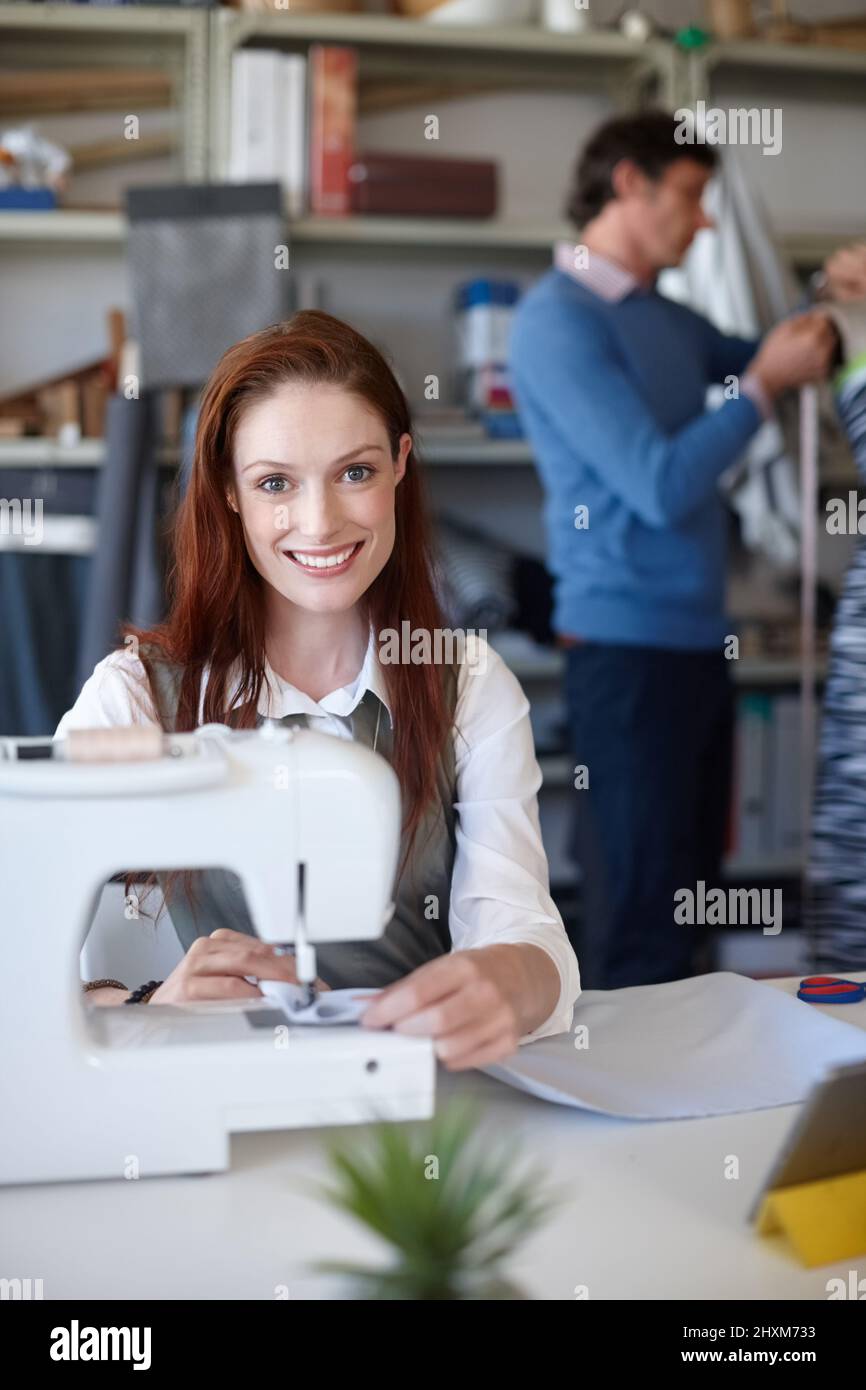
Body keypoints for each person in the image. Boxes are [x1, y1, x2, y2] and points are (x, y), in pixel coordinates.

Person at [59, 310, 580, 1071]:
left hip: (416, 1111)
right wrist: (144, 1006)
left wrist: (511, 978)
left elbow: (527, 934)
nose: (321, 522)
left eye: (356, 472)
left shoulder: (469, 686)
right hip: (216, 1097)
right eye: (275, 483)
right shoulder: (138, 695)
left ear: (400, 465)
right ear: (230, 494)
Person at [508, 110, 838, 989]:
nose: (706, 221)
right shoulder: (555, 324)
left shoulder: (666, 320)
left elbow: (769, 355)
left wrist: (830, 300)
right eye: (691, 196)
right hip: (625, 656)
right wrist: (764, 386)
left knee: (691, 904)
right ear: (629, 183)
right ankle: (627, 1114)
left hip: (693, 647)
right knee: (644, 920)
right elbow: (658, 483)